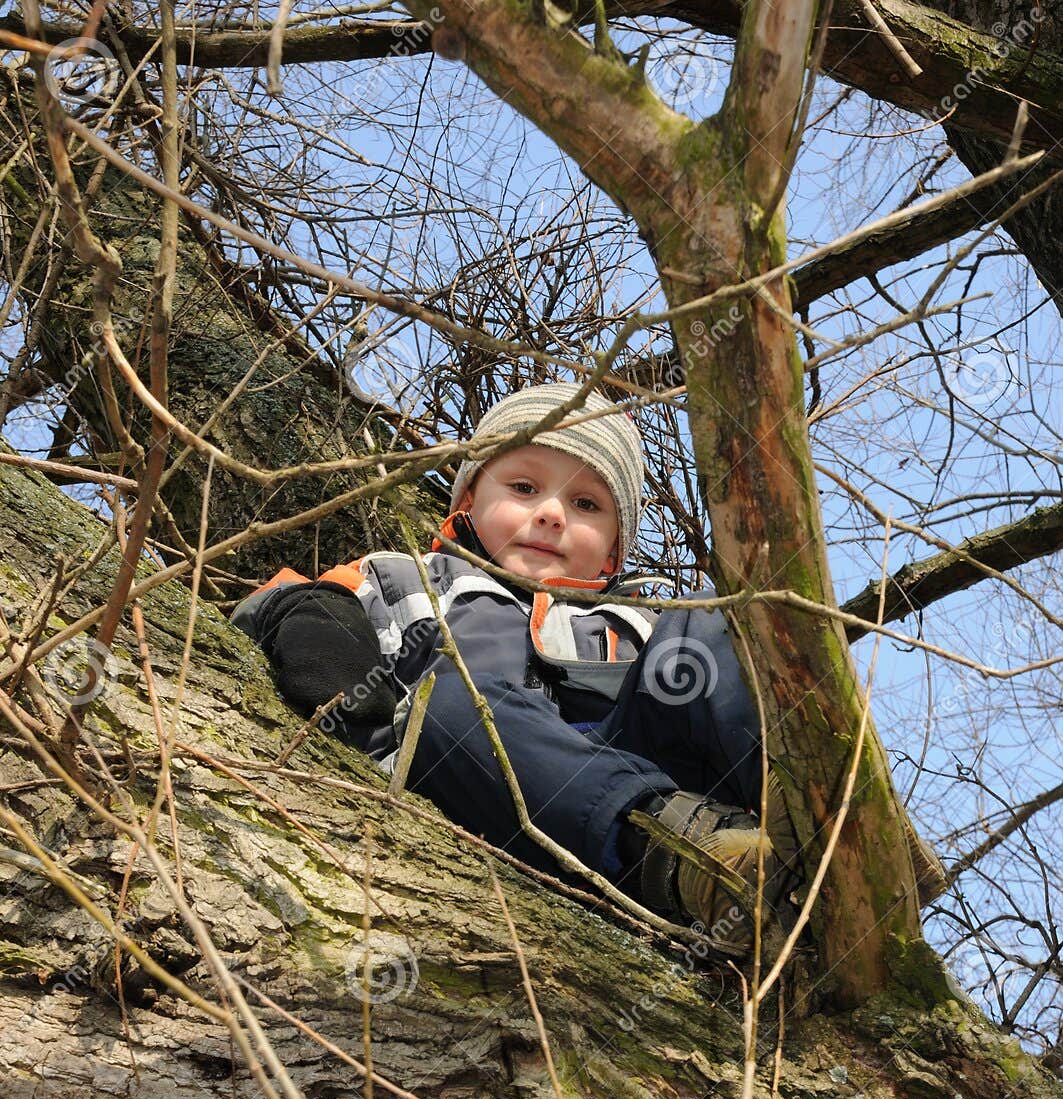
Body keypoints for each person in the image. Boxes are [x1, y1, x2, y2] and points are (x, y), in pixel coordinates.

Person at [229, 382, 810, 956]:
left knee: (717, 625)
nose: (553, 513)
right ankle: (688, 861)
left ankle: (810, 816)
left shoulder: (643, 622)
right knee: (454, 705)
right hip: (489, 779)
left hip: (652, 760)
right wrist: (310, 614)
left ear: (613, 550)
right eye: (525, 486)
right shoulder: (409, 577)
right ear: (467, 501)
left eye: (587, 504)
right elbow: (273, 607)